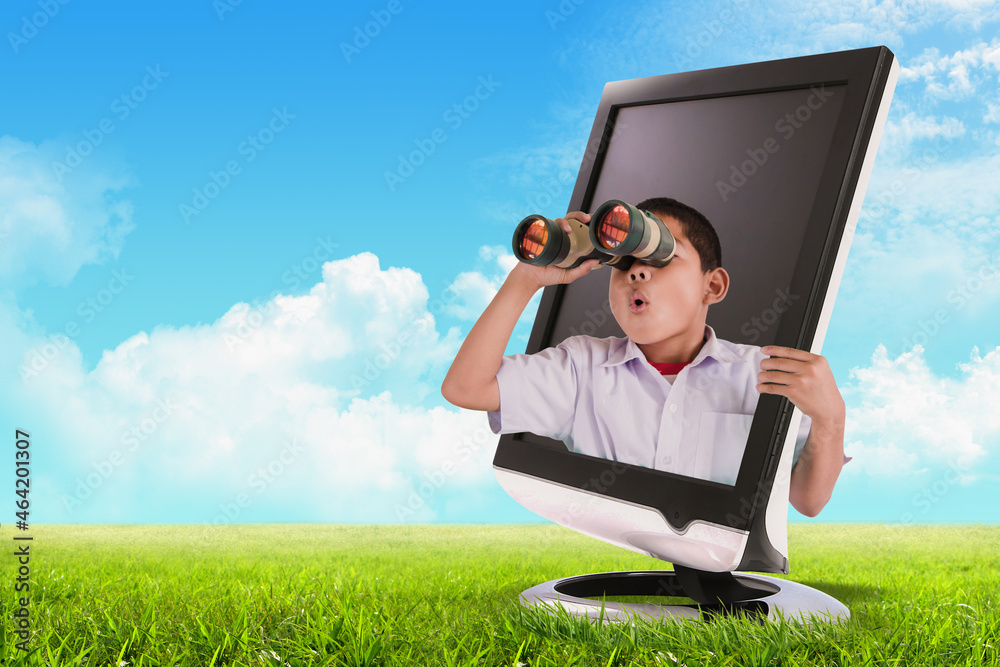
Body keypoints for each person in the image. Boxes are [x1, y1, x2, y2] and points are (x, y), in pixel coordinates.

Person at [441, 197, 849, 517]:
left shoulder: (762, 374)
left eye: (661, 258)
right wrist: (528, 278)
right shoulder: (583, 369)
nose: (637, 273)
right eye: (624, 265)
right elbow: (465, 387)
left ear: (713, 286)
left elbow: (807, 500)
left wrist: (831, 420)